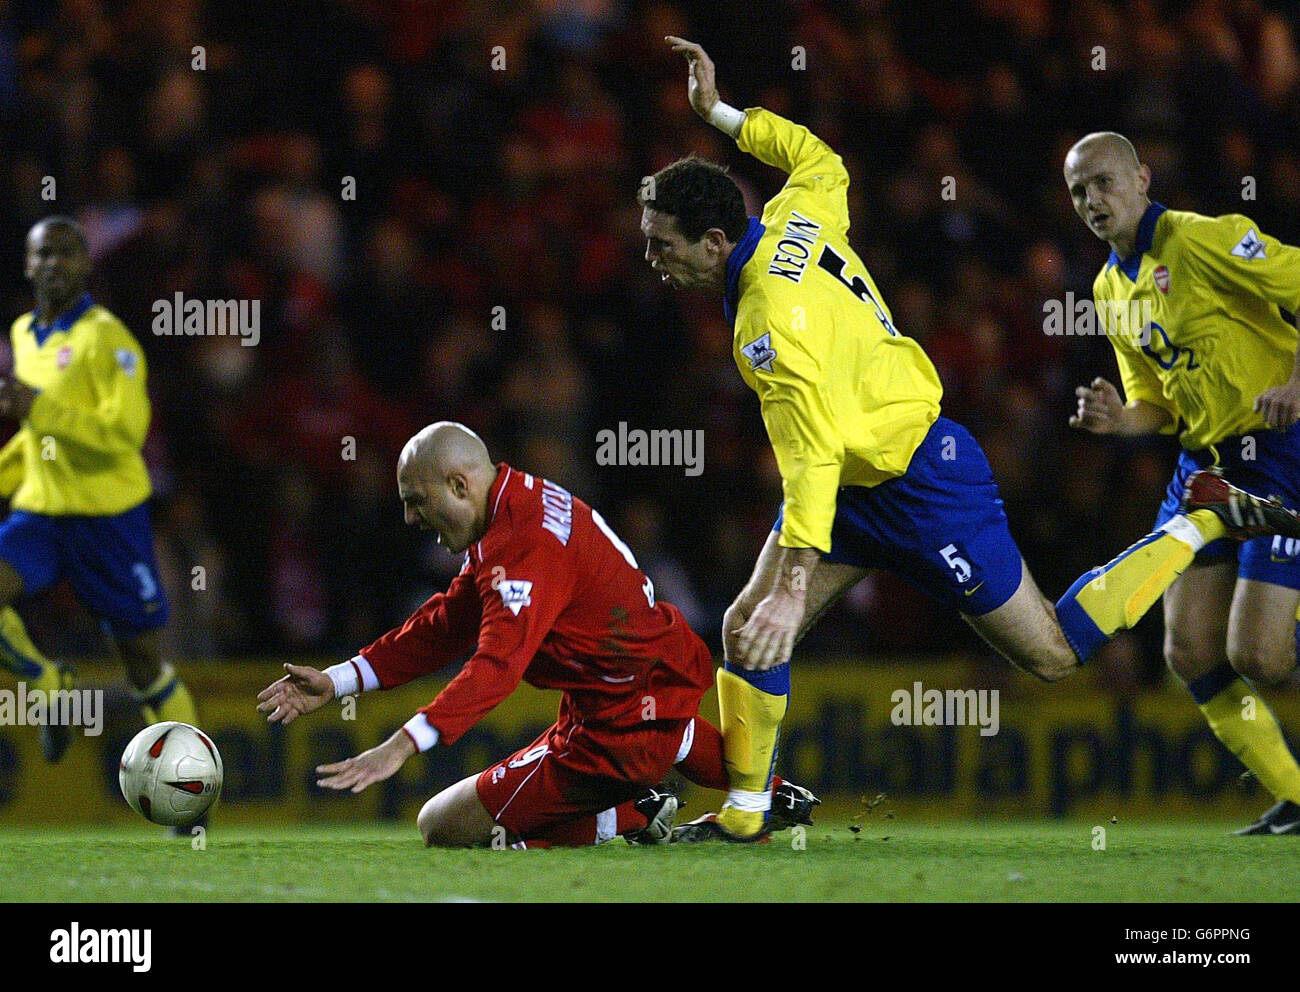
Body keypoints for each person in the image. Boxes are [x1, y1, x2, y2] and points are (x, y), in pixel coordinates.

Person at [639, 38, 1300, 841]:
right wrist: (719, 113)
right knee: (745, 629)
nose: (653, 260)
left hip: (923, 482)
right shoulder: (795, 214)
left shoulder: (765, 325)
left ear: (713, 243)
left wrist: (794, 576)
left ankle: (1198, 519)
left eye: (661, 245)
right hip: (857, 485)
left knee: (1054, 655)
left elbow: (808, 452)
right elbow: (819, 158)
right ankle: (745, 816)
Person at [256, 422, 816, 848]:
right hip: (639, 683)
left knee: (442, 826)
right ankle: (769, 791)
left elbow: (497, 667)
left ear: (457, 485)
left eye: (416, 501)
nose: (410, 519)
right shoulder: (512, 502)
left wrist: (400, 746)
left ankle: (632, 812)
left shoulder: (521, 548)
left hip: (614, 727)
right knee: (664, 731)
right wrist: (337, 681)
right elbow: (447, 625)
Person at [1064, 132, 1300, 836]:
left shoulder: (1200, 240)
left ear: (1141, 177)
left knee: (1259, 655)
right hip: (1202, 466)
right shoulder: (1110, 287)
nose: (1093, 201)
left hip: (1276, 452)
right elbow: (1155, 407)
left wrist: (1295, 381)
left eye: (1104, 183)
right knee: (1189, 650)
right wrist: (1117, 420)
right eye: (1079, 193)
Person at [0, 217, 197, 760]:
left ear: (86, 264)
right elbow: (35, 439)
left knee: (141, 662)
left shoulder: (109, 340)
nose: (53, 263)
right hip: (41, 513)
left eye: (66, 253)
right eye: (42, 254)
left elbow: (125, 434)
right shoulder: (22, 335)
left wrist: (37, 407)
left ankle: (192, 784)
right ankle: (47, 683)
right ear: (26, 264)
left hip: (108, 520)